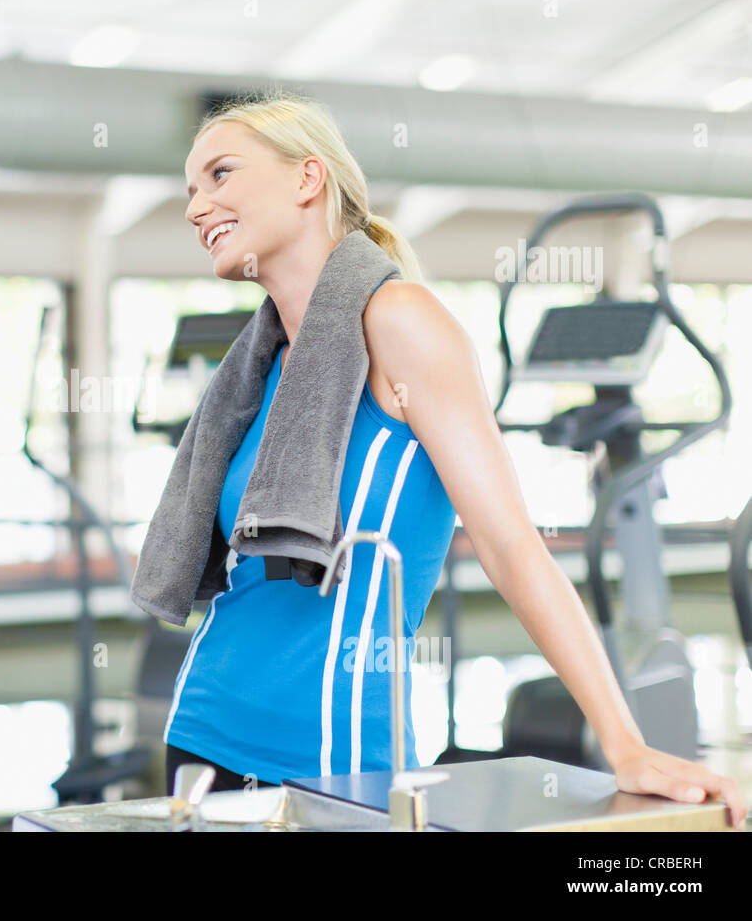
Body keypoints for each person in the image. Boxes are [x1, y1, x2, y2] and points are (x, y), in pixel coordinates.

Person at [157, 92, 746, 826]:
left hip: (332, 760)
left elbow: (511, 548)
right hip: (201, 737)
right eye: (190, 189)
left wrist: (626, 746)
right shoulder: (260, 368)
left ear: (308, 179)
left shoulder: (403, 324)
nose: (195, 206)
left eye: (218, 174)